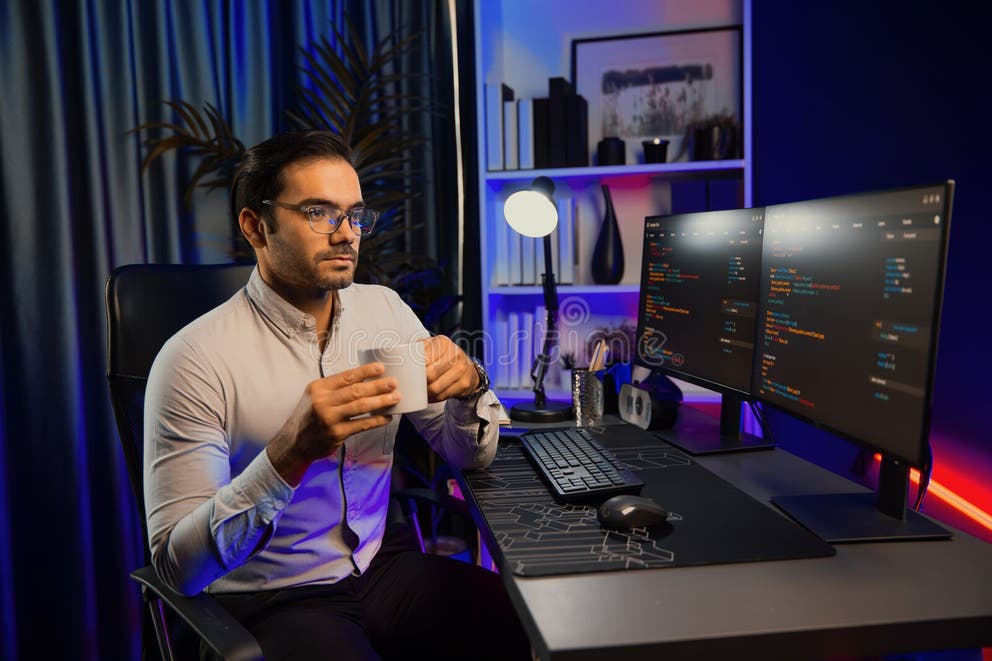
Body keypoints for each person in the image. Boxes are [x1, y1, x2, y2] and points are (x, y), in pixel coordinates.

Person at [143, 130, 531, 660]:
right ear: (256, 226)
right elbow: (177, 570)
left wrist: (471, 388)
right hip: (274, 595)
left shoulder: (385, 312)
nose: (348, 234)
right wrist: (289, 453)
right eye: (320, 213)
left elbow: (464, 454)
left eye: (355, 215)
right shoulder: (193, 360)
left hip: (380, 563)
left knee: (528, 626)